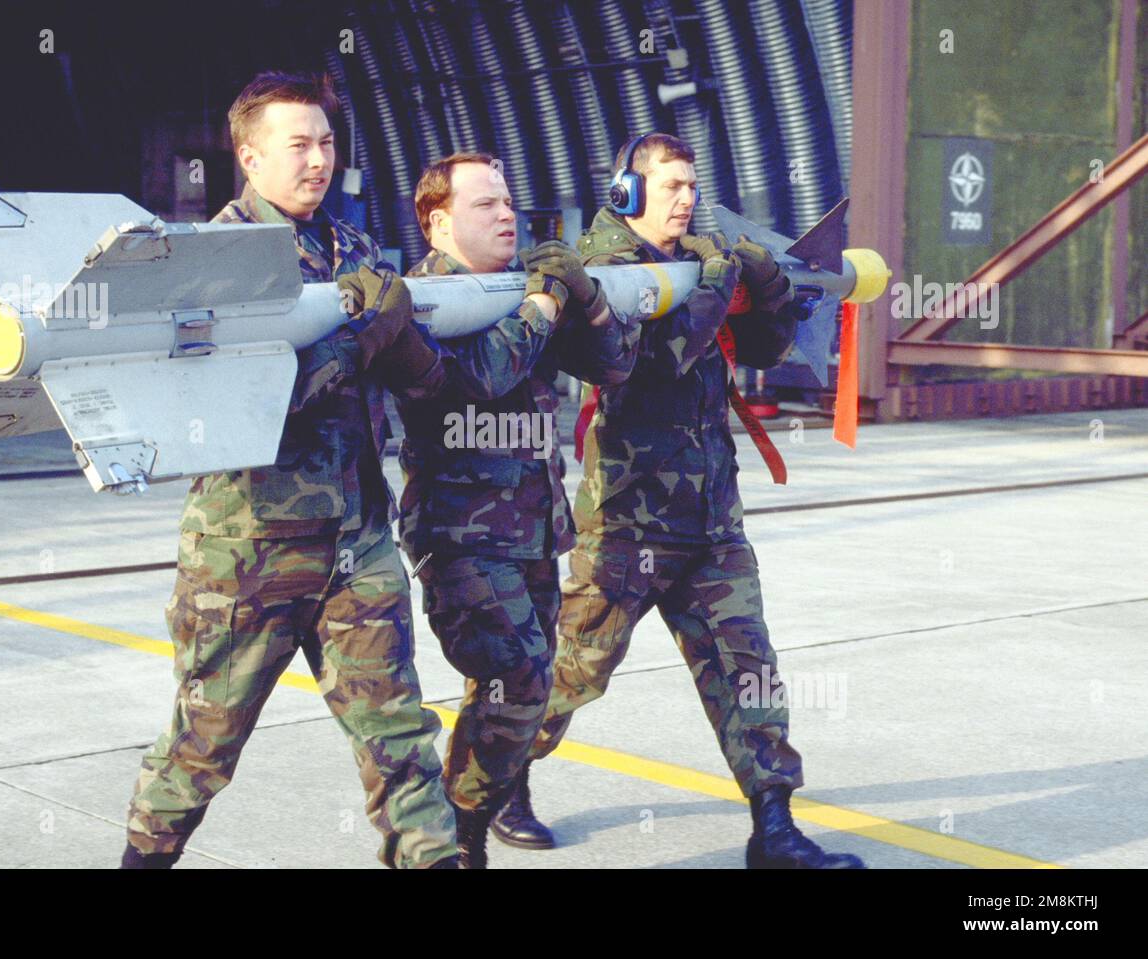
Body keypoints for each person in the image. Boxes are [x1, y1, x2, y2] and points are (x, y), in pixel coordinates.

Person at [121, 71, 459, 869]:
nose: (318, 160)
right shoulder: (215, 260)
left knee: (399, 735)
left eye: (327, 142)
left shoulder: (354, 248)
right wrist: (357, 339)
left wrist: (399, 332)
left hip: (357, 542)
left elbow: (424, 379)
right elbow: (247, 402)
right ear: (248, 154)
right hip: (250, 554)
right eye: (298, 144)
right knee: (204, 743)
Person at [503, 133, 865, 869]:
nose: (686, 199)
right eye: (669, 186)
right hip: (630, 516)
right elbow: (652, 359)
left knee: (747, 664)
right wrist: (713, 280)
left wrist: (768, 294)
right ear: (628, 194)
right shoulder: (600, 272)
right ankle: (498, 779)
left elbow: (760, 351)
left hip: (710, 516)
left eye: (692, 186)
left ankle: (774, 822)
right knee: (575, 668)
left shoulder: (698, 256)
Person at [396, 153, 639, 867]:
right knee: (523, 679)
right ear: (439, 223)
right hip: (460, 536)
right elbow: (475, 381)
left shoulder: (518, 287)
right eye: (485, 205)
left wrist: (585, 296)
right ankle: (458, 821)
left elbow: (612, 364)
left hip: (533, 529)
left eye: (508, 201)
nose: (507, 215)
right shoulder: (423, 300)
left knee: (515, 685)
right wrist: (544, 303)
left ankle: (469, 825)